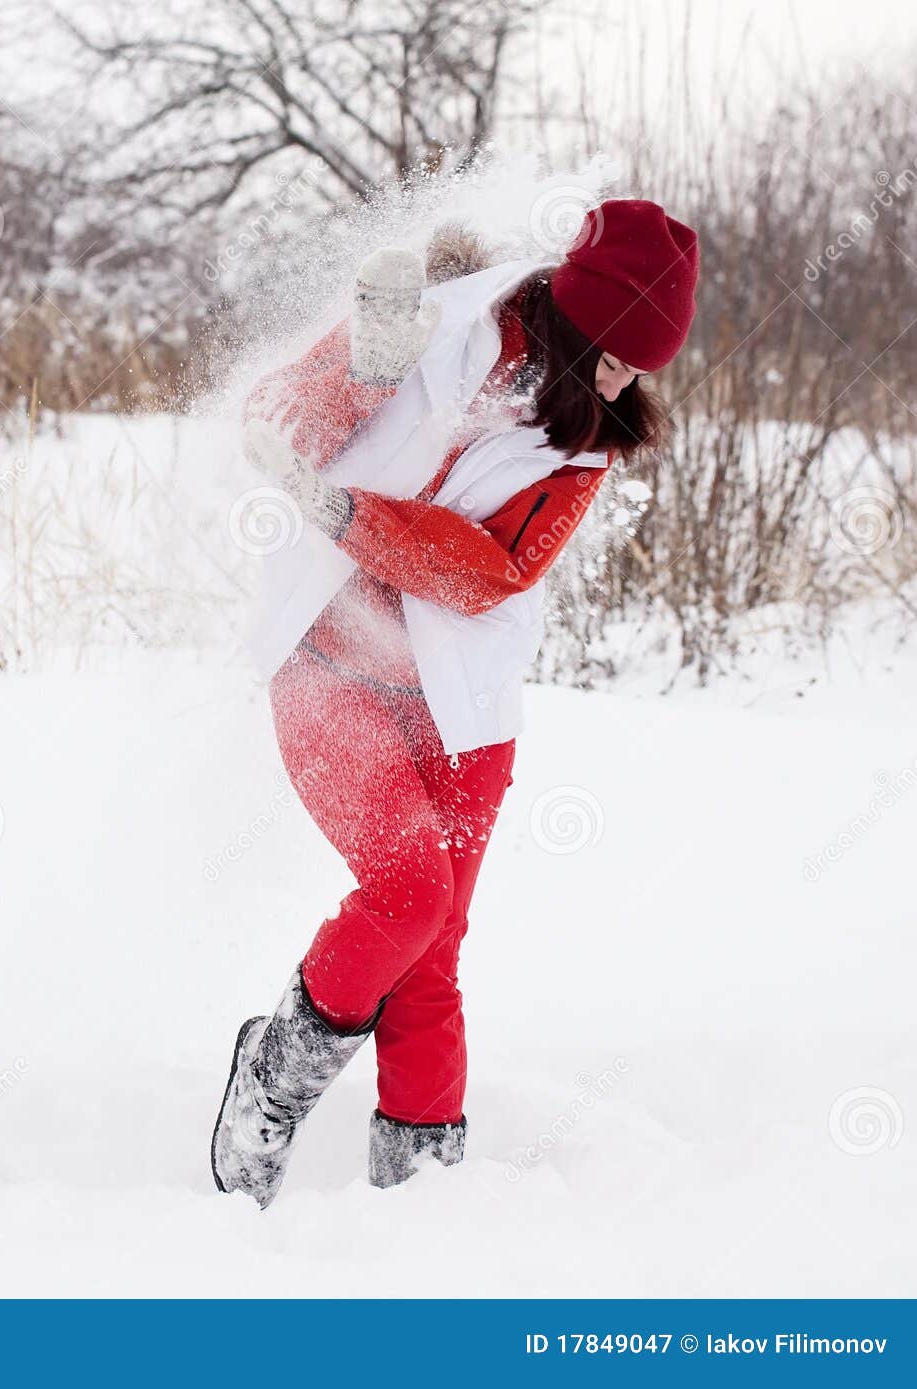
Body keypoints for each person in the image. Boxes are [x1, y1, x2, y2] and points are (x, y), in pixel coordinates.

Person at [213, 200, 699, 1208]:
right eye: (614, 354)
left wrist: (345, 511)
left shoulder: (586, 439)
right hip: (326, 664)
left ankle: (421, 1187)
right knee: (406, 893)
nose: (624, 382)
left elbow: (491, 571)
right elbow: (278, 417)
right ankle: (271, 1084)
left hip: (462, 707)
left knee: (431, 953)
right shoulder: (429, 319)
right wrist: (368, 370)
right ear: (574, 316)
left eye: (639, 367)